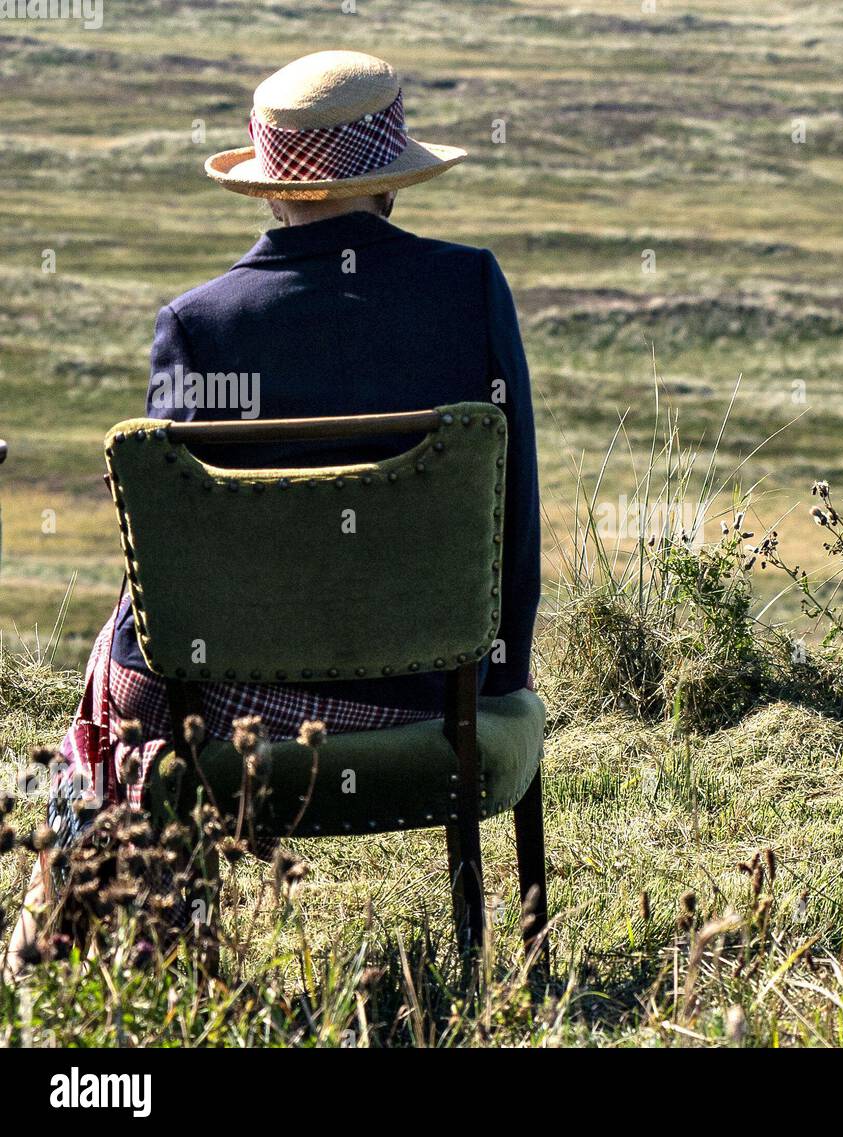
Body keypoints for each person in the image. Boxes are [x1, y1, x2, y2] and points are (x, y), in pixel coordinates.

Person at [5, 50, 540, 973]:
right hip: (440, 692)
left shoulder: (197, 327)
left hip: (248, 707)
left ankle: (60, 942)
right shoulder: (471, 291)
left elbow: (166, 578)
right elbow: (515, 518)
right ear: (391, 182)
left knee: (109, 680)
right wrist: (493, 679)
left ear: (266, 187)